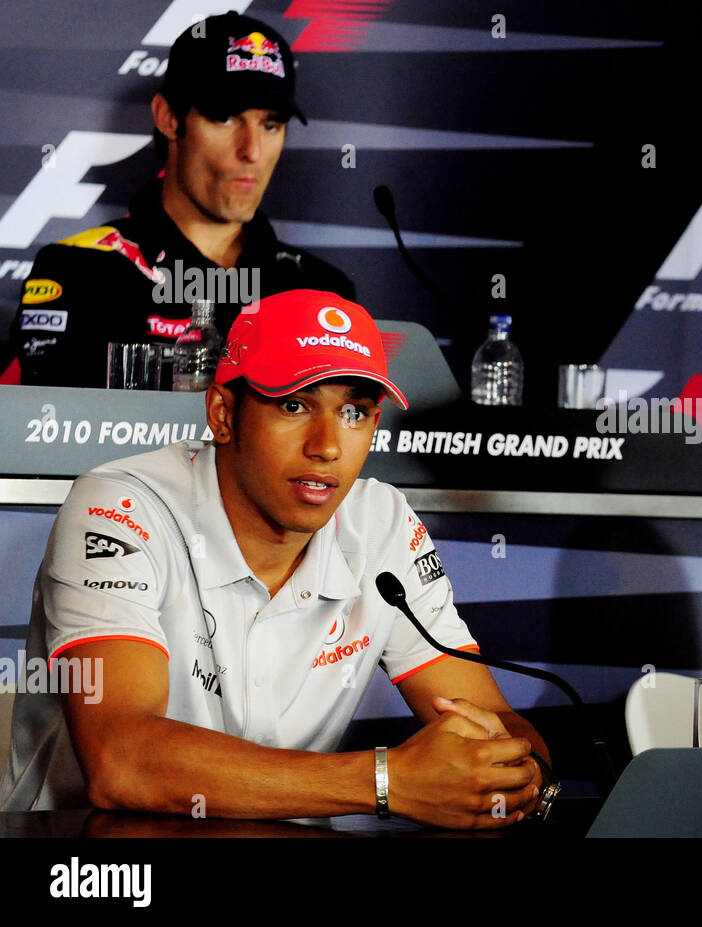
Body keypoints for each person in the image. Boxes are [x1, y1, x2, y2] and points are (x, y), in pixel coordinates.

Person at [1, 289, 549, 828]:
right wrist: (387, 782)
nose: (327, 445)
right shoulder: (120, 505)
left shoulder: (381, 522)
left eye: (353, 412)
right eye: (294, 404)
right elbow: (121, 761)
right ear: (222, 413)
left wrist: (513, 772)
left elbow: (496, 722)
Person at [7, 11, 353, 387]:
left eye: (270, 125)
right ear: (168, 117)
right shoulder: (81, 271)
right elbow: (54, 431)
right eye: (225, 119)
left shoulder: (321, 291)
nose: (252, 150)